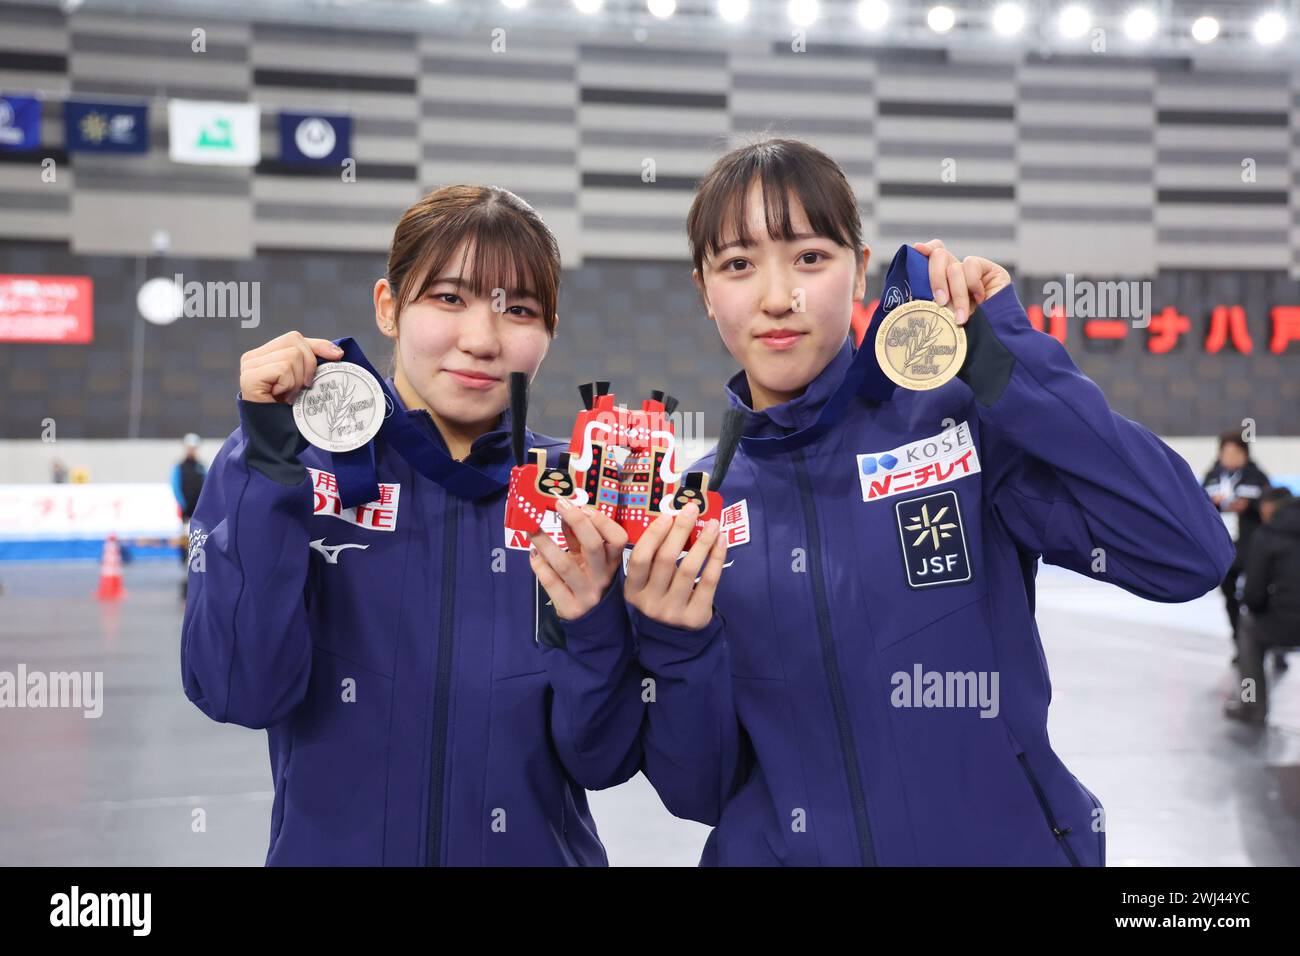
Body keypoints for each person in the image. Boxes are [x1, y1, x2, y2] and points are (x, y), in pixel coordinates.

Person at [624, 137, 1235, 865]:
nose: (776, 296)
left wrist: (1005, 358)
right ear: (704, 291)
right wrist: (675, 643)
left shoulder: (958, 429)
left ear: (860, 270)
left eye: (810, 257)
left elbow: (1189, 552)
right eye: (738, 264)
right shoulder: (695, 511)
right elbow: (699, 789)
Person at [180, 185, 642, 865]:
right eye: (449, 298)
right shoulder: (295, 467)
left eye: (518, 309)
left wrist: (597, 621)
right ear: (388, 308)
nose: (481, 339)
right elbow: (238, 691)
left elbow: (602, 755)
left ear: (548, 333)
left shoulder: (577, 495)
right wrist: (266, 468)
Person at [1225, 488, 1300, 724]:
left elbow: (1253, 594)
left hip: (1284, 622)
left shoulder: (1266, 534)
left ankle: (1251, 705)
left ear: (1268, 507)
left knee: (1247, 627)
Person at [1202, 429, 1270, 656]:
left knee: (1256, 596)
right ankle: (1240, 644)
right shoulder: (1211, 477)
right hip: (1224, 549)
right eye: (1226, 452)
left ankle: (1269, 644)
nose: (1230, 457)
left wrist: (1248, 506)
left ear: (1245, 454)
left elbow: (1270, 508)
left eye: (1235, 452)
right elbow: (1197, 507)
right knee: (1230, 597)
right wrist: (1212, 504)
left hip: (1252, 548)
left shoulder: (1257, 477)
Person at [172, 433, 207, 600]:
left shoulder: (201, 467)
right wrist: (184, 506)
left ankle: (198, 577)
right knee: (186, 546)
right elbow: (176, 488)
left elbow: (208, 485)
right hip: (186, 515)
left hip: (200, 514)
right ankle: (186, 578)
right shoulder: (179, 468)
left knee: (199, 545)